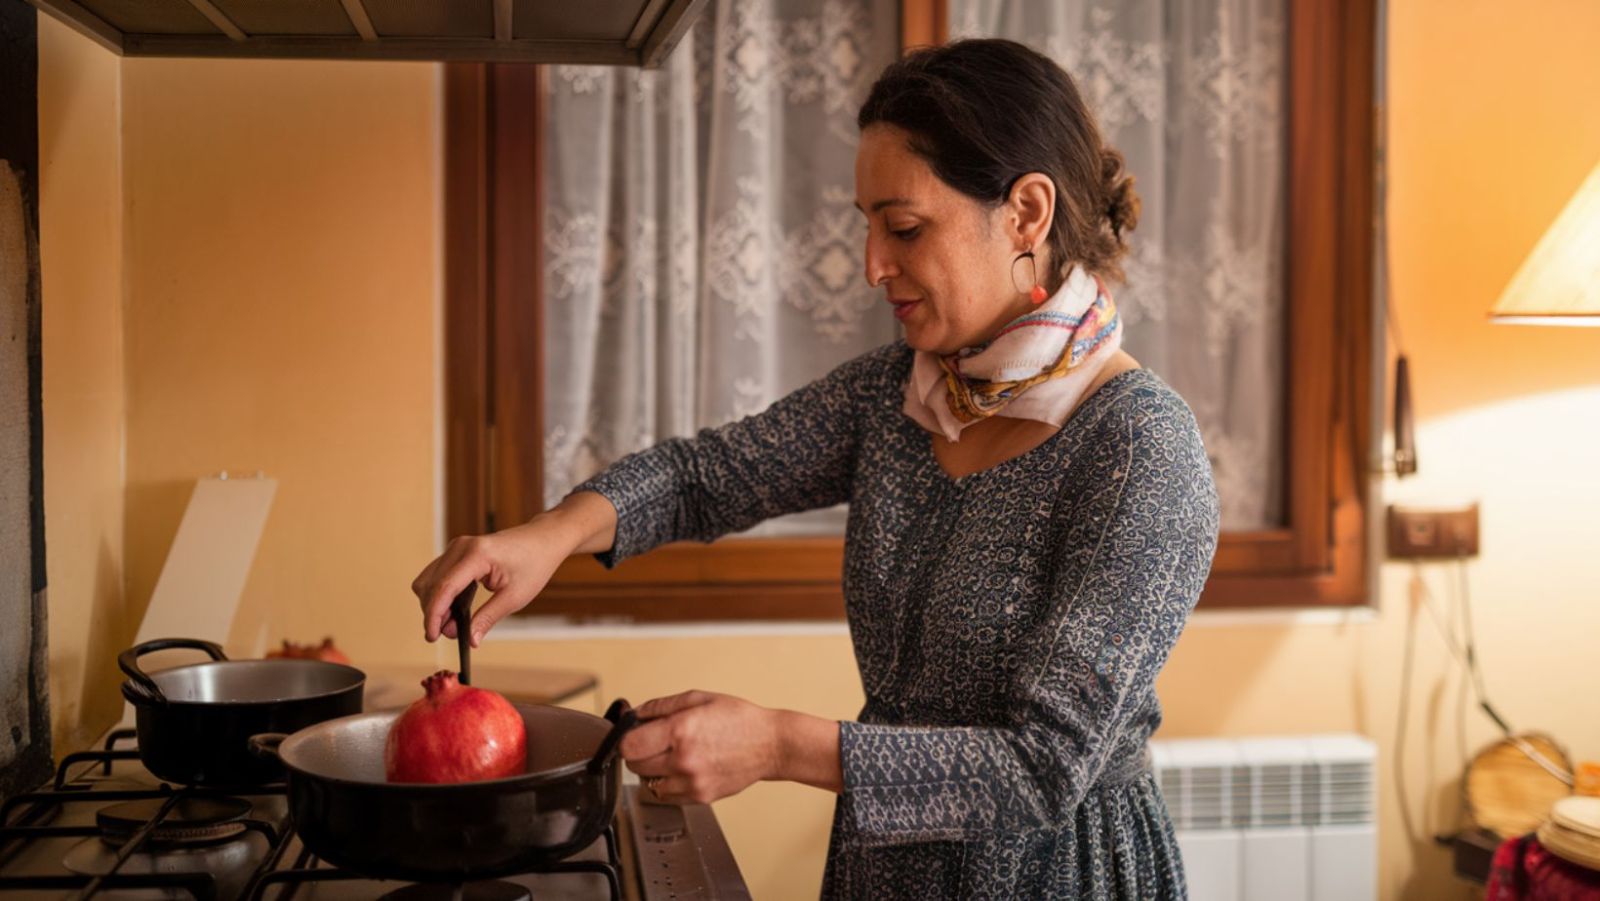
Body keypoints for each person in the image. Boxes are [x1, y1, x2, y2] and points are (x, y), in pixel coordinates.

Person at [411, 38, 1220, 900]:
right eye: (867, 225)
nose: (874, 264)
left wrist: (775, 744)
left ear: (1026, 212)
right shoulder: (902, 392)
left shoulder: (1139, 450)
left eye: (904, 227)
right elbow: (707, 475)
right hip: (882, 868)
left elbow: (1041, 767)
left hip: (1057, 875)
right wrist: (545, 538)